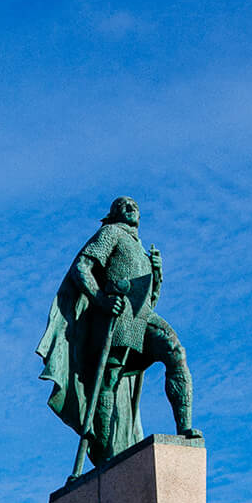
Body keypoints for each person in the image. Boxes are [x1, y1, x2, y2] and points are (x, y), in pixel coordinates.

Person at [35, 197, 199, 473]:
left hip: (141, 318)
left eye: (135, 205)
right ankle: (107, 453)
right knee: (109, 380)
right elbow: (81, 268)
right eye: (124, 205)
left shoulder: (141, 249)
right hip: (115, 318)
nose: (131, 208)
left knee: (175, 352)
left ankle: (184, 428)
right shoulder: (110, 233)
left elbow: (149, 300)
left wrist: (156, 276)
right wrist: (100, 299)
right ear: (112, 214)